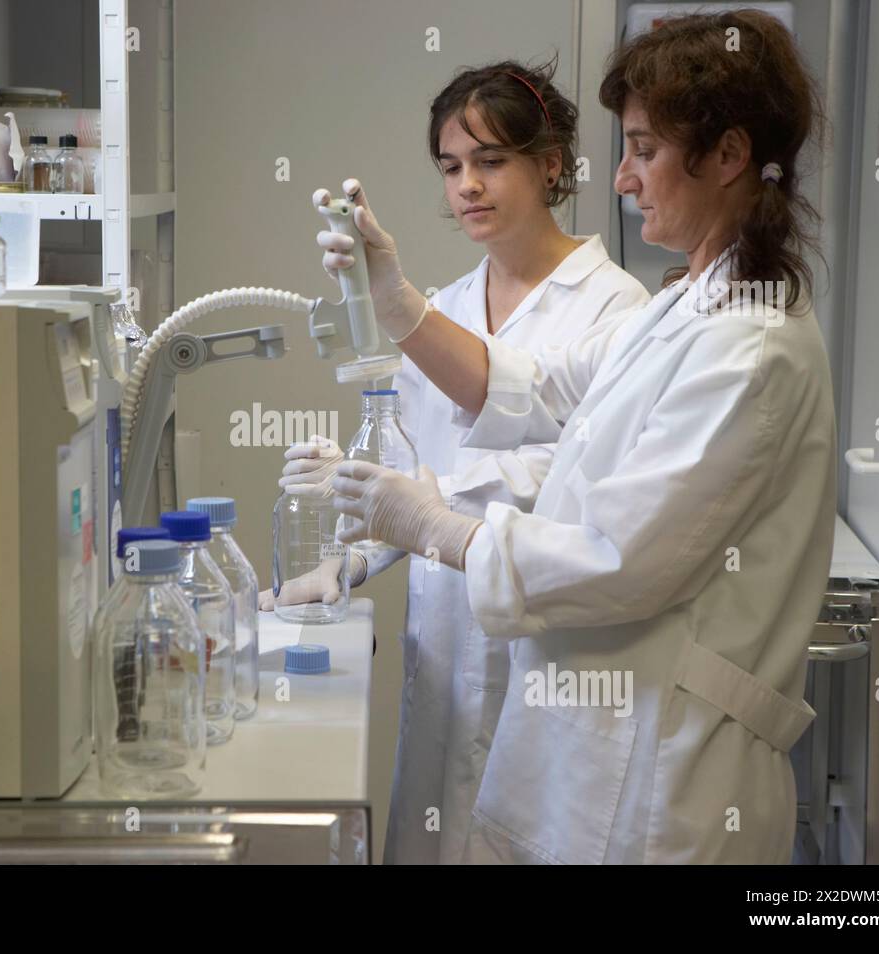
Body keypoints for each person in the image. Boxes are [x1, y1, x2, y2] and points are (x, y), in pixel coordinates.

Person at [328, 10, 835, 863]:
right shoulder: (689, 302)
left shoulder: (748, 348)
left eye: (643, 149)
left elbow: (620, 557)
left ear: (727, 155)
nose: (627, 178)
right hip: (599, 750)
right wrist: (401, 310)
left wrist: (437, 528)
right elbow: (545, 395)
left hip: (667, 780)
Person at [261, 59, 649, 864]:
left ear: (551, 164)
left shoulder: (617, 310)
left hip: (545, 654)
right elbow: (412, 466)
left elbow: (569, 484)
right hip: (442, 653)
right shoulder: (446, 307)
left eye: (491, 161)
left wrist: (420, 502)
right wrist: (350, 556)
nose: (468, 185)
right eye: (451, 167)